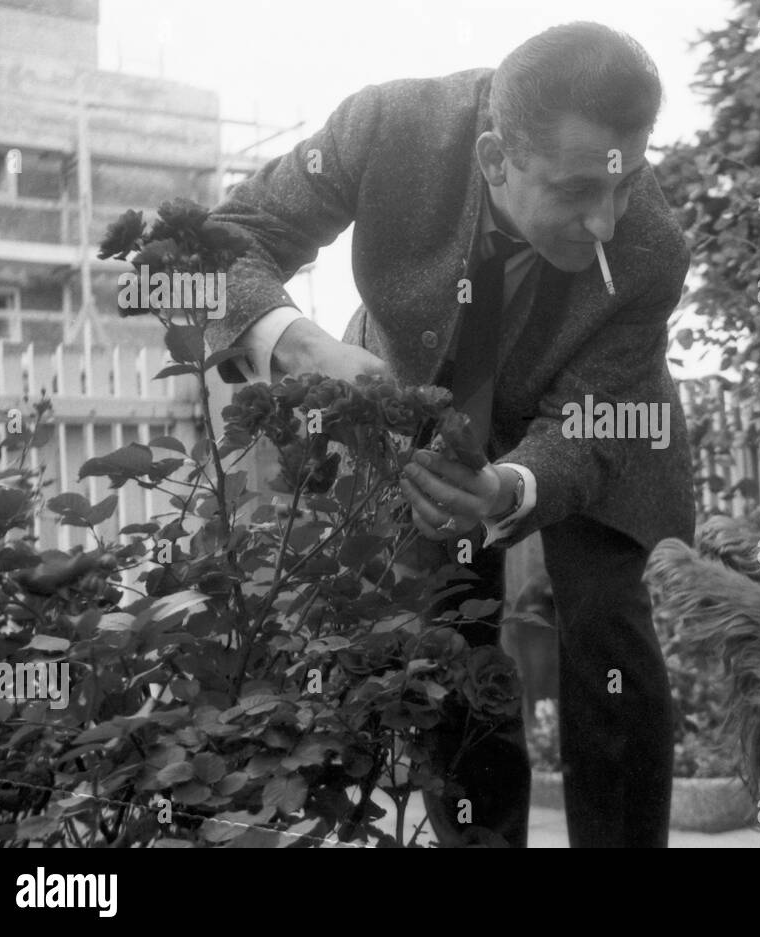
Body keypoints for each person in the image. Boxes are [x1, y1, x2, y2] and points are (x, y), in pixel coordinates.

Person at [207, 21, 695, 847]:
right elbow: (217, 245)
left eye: (626, 180)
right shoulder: (389, 129)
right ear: (495, 158)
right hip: (423, 423)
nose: (608, 221)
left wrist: (509, 486)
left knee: (608, 625)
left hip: (601, 424)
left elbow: (588, 423)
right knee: (449, 636)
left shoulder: (650, 248)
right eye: (579, 191)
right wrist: (302, 344)